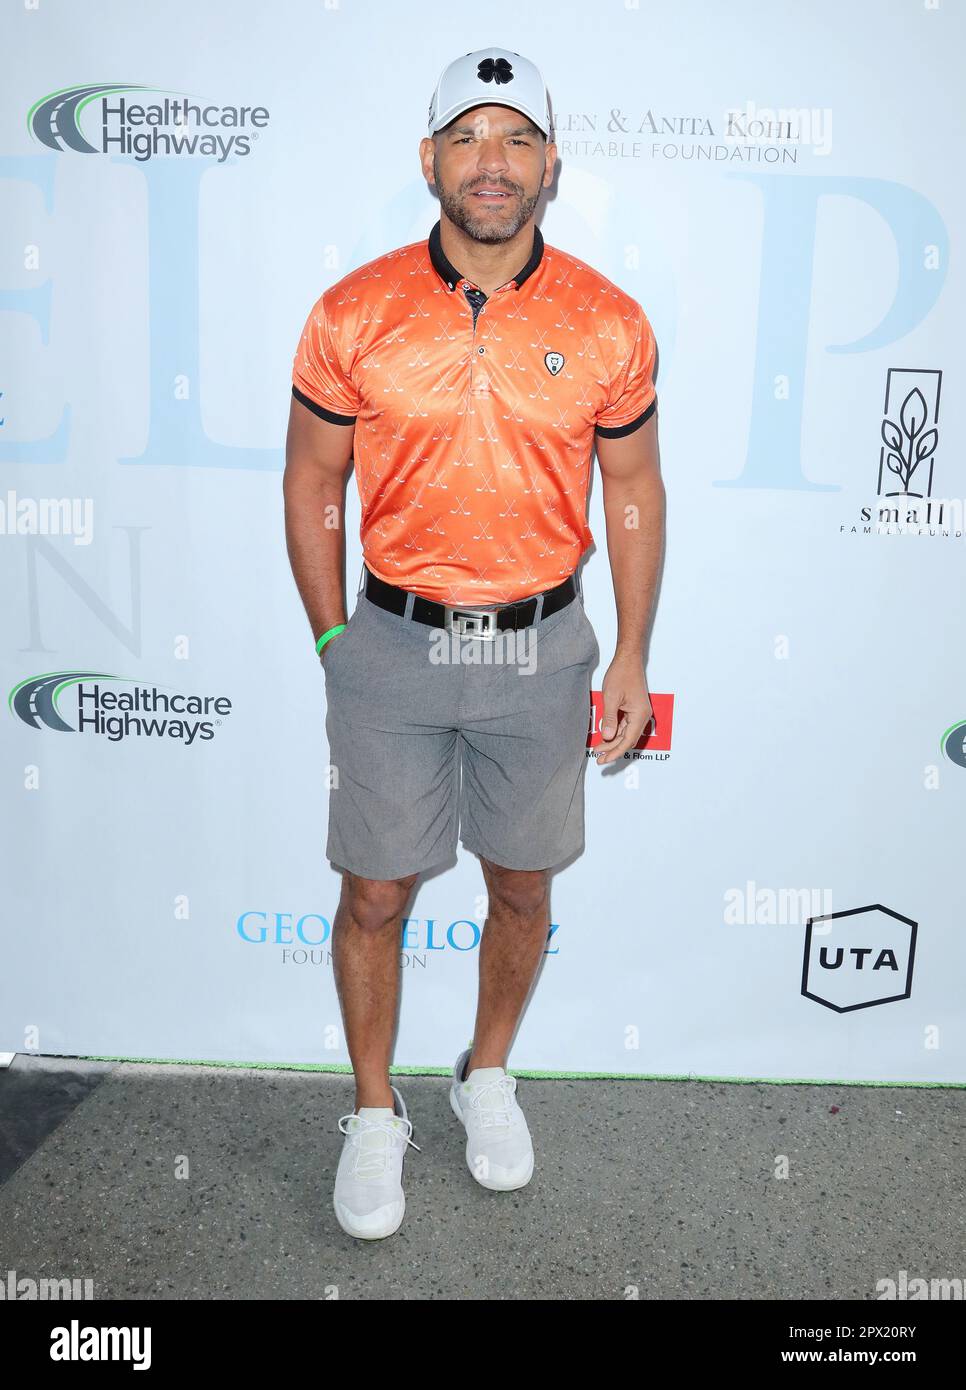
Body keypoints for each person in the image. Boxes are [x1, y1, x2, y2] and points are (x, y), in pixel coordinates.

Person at [284, 46, 665, 1239]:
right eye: (467, 138)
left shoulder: (607, 319)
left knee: (523, 880)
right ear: (428, 161)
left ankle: (484, 1071)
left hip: (543, 647)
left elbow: (636, 493)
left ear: (551, 164)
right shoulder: (355, 310)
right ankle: (374, 1108)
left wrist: (632, 656)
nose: (490, 165)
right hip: (393, 641)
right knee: (376, 890)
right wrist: (336, 634)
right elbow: (313, 483)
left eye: (514, 140)